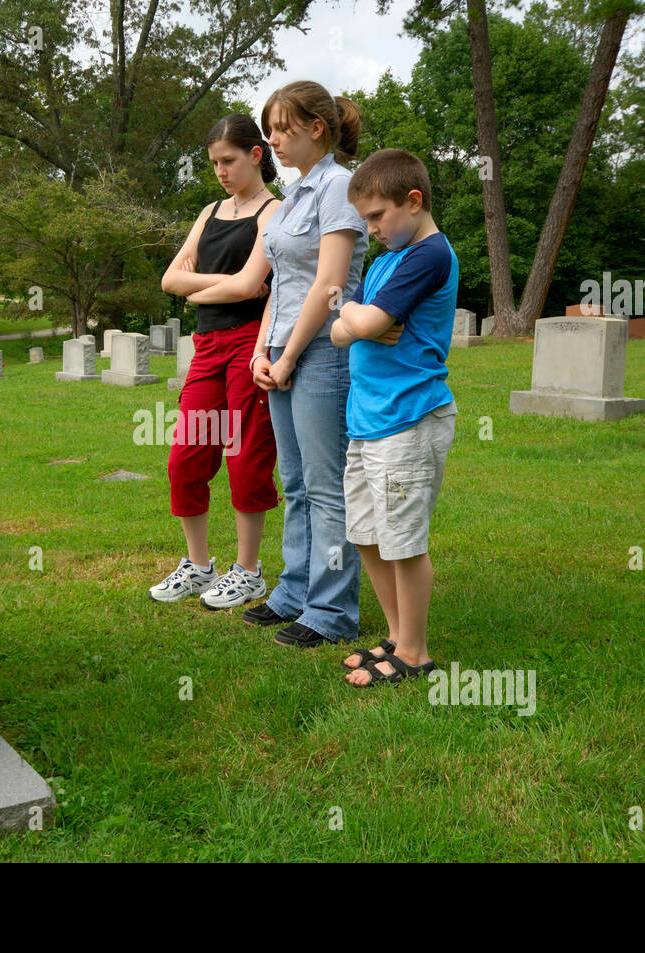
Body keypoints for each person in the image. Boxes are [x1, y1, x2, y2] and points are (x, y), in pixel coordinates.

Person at [191, 81, 371, 648]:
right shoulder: (294, 196)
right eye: (267, 130)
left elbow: (330, 285)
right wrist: (264, 349)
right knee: (293, 482)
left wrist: (289, 353)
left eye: (279, 129)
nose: (270, 140)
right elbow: (280, 285)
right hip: (283, 353)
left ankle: (332, 611)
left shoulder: (340, 186)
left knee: (325, 488)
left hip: (322, 354)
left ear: (316, 129)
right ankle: (293, 592)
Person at [329, 148, 459, 687]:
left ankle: (415, 652)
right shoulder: (384, 259)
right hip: (368, 419)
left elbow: (364, 318)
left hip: (409, 418)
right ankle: (395, 633)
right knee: (366, 534)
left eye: (378, 217)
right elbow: (341, 328)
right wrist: (357, 319)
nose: (372, 230)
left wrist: (360, 318)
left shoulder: (429, 255)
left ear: (413, 201)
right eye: (364, 221)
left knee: (403, 539)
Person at [151, 115, 282, 609]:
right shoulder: (208, 212)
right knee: (185, 457)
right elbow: (169, 280)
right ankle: (199, 566)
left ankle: (248, 571)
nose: (220, 171)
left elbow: (252, 287)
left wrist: (198, 286)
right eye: (213, 164)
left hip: (250, 342)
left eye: (228, 160)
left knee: (247, 459)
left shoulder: (274, 212)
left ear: (255, 154)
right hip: (207, 345)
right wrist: (220, 286)